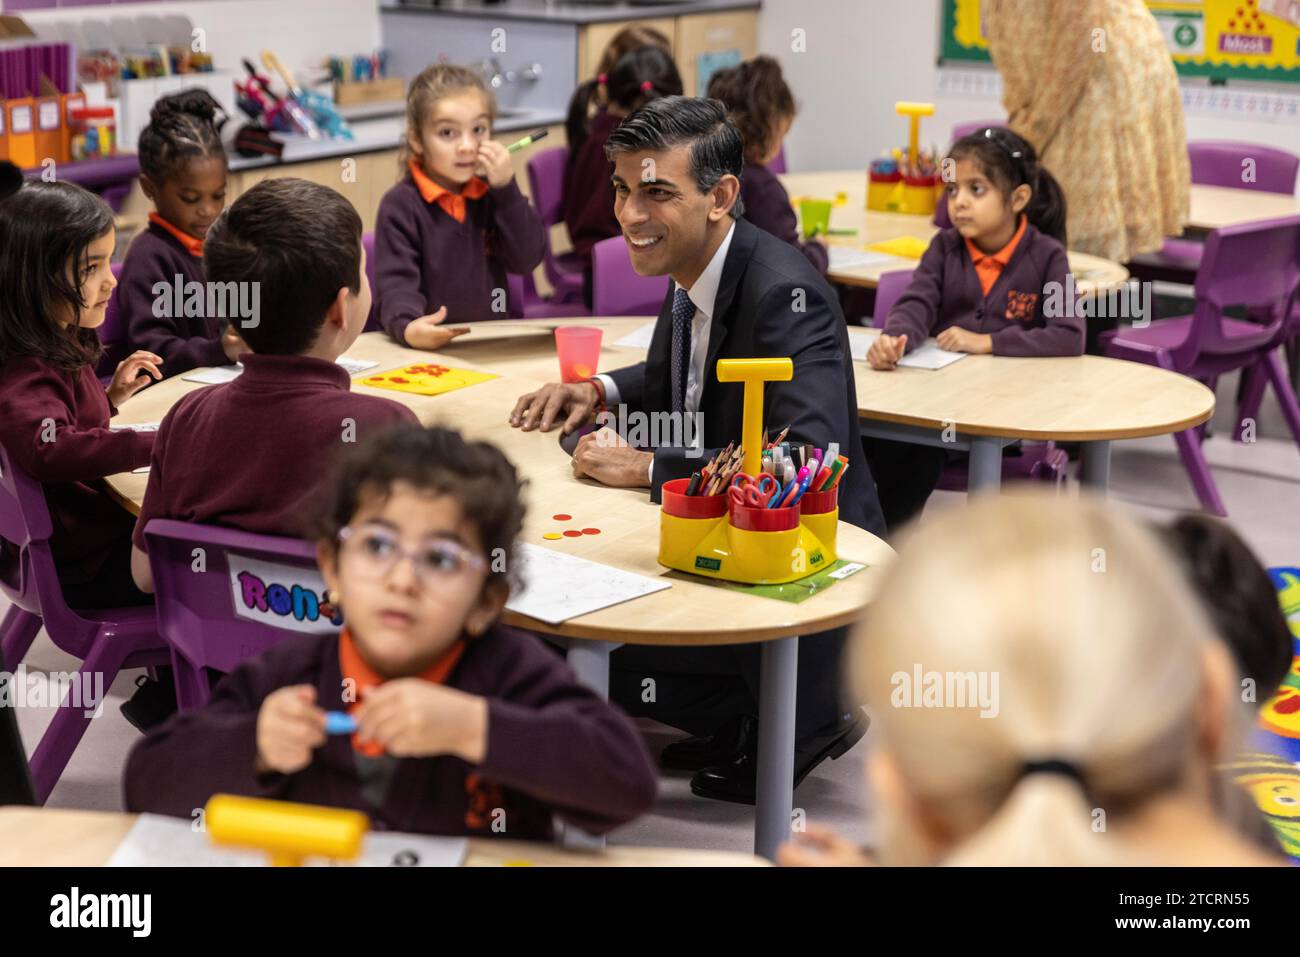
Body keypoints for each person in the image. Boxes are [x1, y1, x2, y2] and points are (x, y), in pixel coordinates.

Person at [509, 96, 885, 803]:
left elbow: (806, 459)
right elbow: (678, 383)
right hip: (721, 539)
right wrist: (600, 392)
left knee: (551, 638)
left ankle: (805, 711)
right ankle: (748, 714)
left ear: (721, 197)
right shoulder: (694, 269)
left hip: (807, 564)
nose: (628, 215)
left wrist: (651, 466)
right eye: (620, 190)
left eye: (656, 193)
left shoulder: (784, 294)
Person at [124, 423, 658, 838]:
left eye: (442, 559)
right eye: (377, 546)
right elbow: (147, 785)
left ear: (486, 601)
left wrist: (474, 727)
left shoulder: (509, 672)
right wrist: (255, 744)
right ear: (332, 568)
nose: (403, 579)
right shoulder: (289, 676)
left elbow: (626, 784)